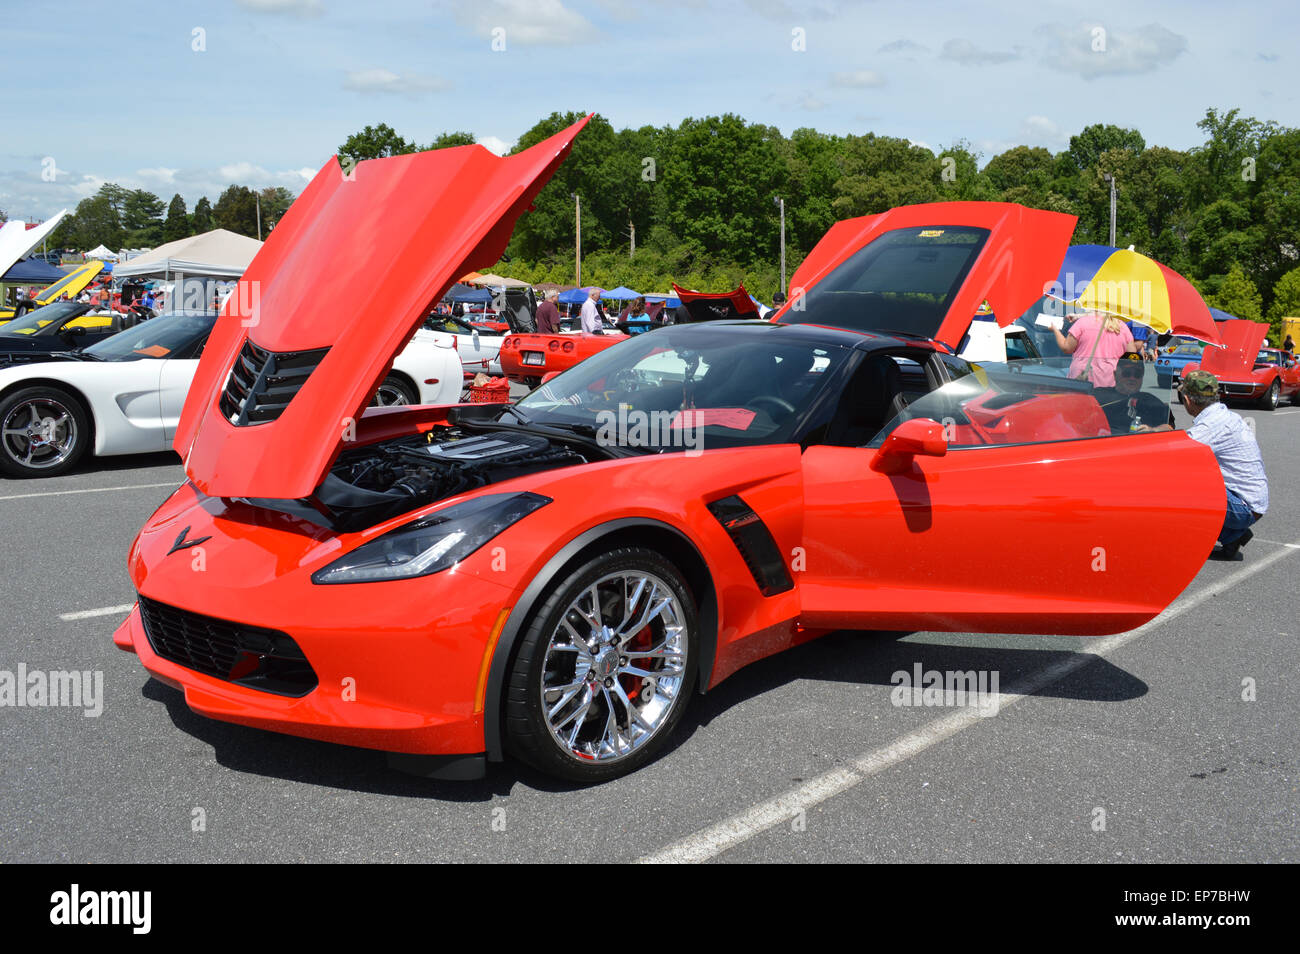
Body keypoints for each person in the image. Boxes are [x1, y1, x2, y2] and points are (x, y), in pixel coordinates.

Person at [1180, 370, 1269, 560]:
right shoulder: (1224, 416)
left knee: (1179, 483)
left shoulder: (1212, 424)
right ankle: (1232, 535)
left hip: (1243, 506)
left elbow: (1179, 452)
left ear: (1187, 400)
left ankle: (1228, 533)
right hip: (1249, 502)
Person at [1092, 352, 1174, 433]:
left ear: (1142, 377)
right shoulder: (1099, 394)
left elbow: (1170, 427)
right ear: (1115, 374)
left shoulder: (1151, 401)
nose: (1132, 378)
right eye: (1127, 373)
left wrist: (1153, 430)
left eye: (1137, 374)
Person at [1052, 311, 1137, 387]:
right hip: (1111, 380)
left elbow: (1067, 348)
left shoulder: (1083, 322)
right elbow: (1132, 353)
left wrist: (1055, 329)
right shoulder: (1122, 326)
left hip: (1083, 380)